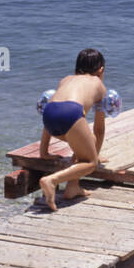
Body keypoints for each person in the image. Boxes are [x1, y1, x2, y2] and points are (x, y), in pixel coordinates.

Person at [36, 49, 110, 211]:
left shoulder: (66, 80)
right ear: (101, 70)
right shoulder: (99, 85)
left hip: (49, 115)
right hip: (71, 114)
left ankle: (72, 188)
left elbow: (54, 108)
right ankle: (52, 180)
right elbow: (99, 130)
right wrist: (94, 158)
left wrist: (44, 151)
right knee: (89, 163)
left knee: (83, 142)